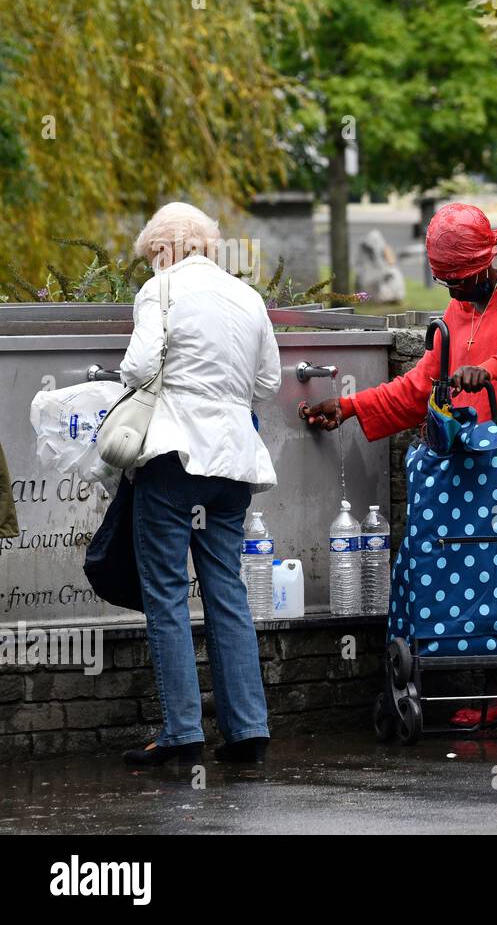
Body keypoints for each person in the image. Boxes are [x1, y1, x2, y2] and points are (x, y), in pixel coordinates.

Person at [305, 203, 497, 728]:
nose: (454, 294)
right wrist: (350, 407)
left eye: (460, 281)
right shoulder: (464, 305)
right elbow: (420, 385)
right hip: (481, 467)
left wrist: (488, 370)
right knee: (491, 577)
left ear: (488, 260)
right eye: (445, 283)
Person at [119, 203, 281, 766]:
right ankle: (247, 730)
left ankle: (182, 733)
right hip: (233, 465)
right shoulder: (247, 297)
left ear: (162, 249)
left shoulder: (159, 291)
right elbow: (268, 381)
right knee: (226, 591)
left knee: (165, 594)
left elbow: (139, 369)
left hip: (174, 458)